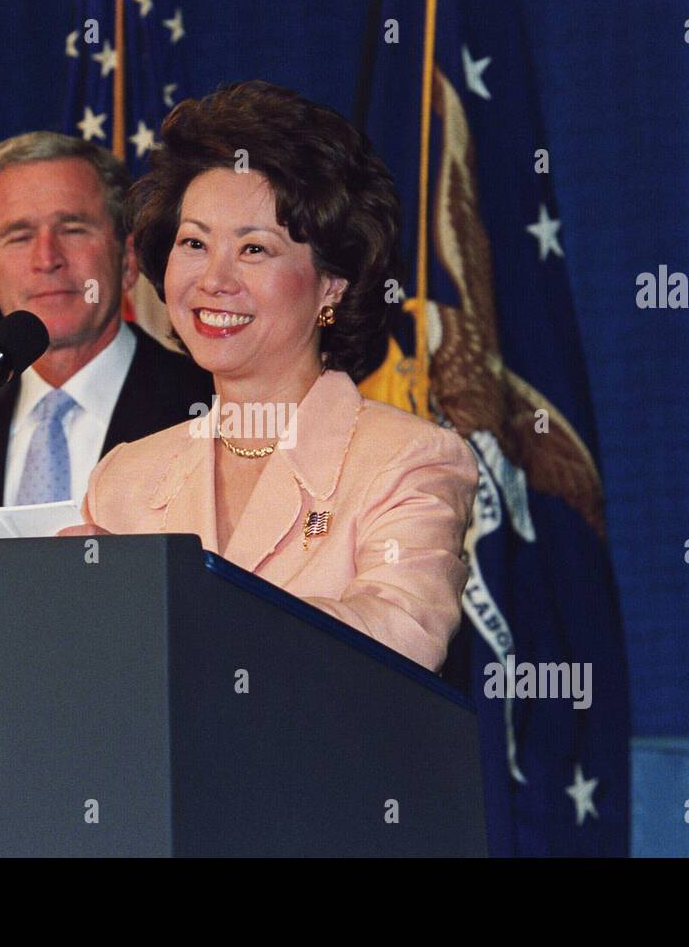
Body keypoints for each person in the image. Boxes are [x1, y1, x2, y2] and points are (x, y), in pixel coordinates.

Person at [59, 81, 478, 672]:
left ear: (332, 284)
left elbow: (400, 637)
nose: (214, 279)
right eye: (194, 243)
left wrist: (166, 608)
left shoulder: (408, 460)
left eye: (254, 250)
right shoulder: (124, 479)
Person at [0, 132, 214, 508]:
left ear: (127, 260)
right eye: (20, 236)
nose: (47, 259)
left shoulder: (208, 407)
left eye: (73, 229)